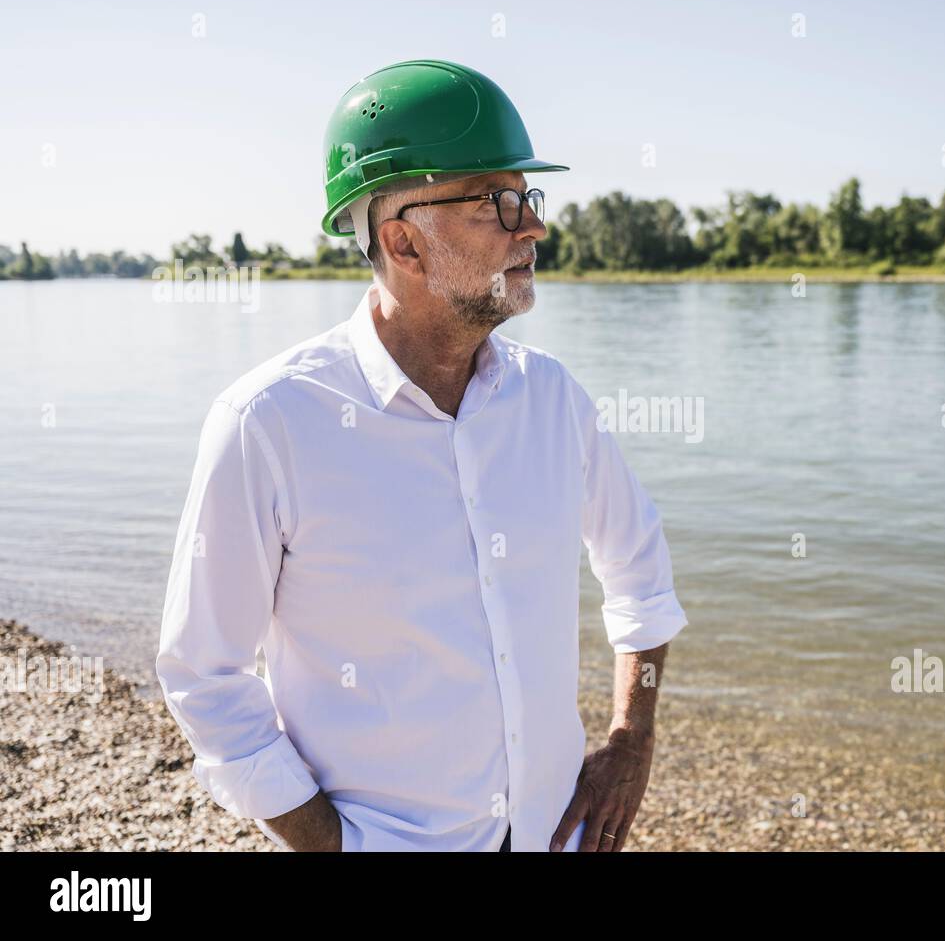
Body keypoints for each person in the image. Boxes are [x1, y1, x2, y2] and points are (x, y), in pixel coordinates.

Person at [155, 60, 689, 852]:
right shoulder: (268, 423)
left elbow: (639, 575)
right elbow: (204, 674)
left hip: (556, 836)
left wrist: (630, 740)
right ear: (404, 240)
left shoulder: (555, 402)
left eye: (529, 198)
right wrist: (333, 843)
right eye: (497, 204)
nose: (532, 227)